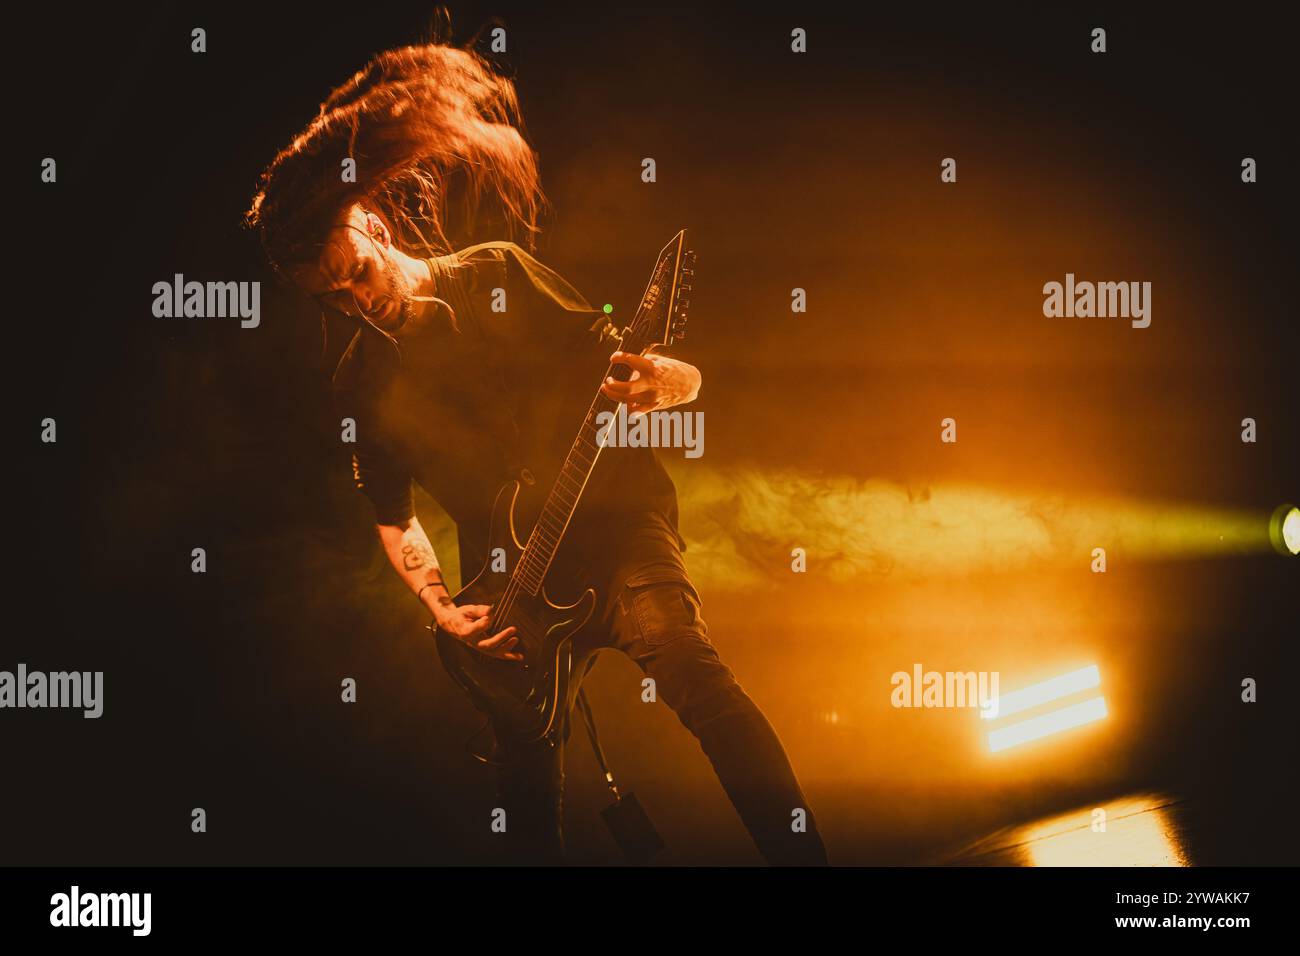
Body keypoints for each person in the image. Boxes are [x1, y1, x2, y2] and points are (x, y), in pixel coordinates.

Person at [245, 36, 827, 865]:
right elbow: (393, 516)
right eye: (329, 298)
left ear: (374, 226)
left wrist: (670, 382)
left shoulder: (498, 275)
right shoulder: (357, 383)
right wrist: (442, 607)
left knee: (694, 676)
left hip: (617, 528)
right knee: (522, 783)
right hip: (512, 589)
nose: (354, 300)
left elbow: (635, 368)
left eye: (357, 273)